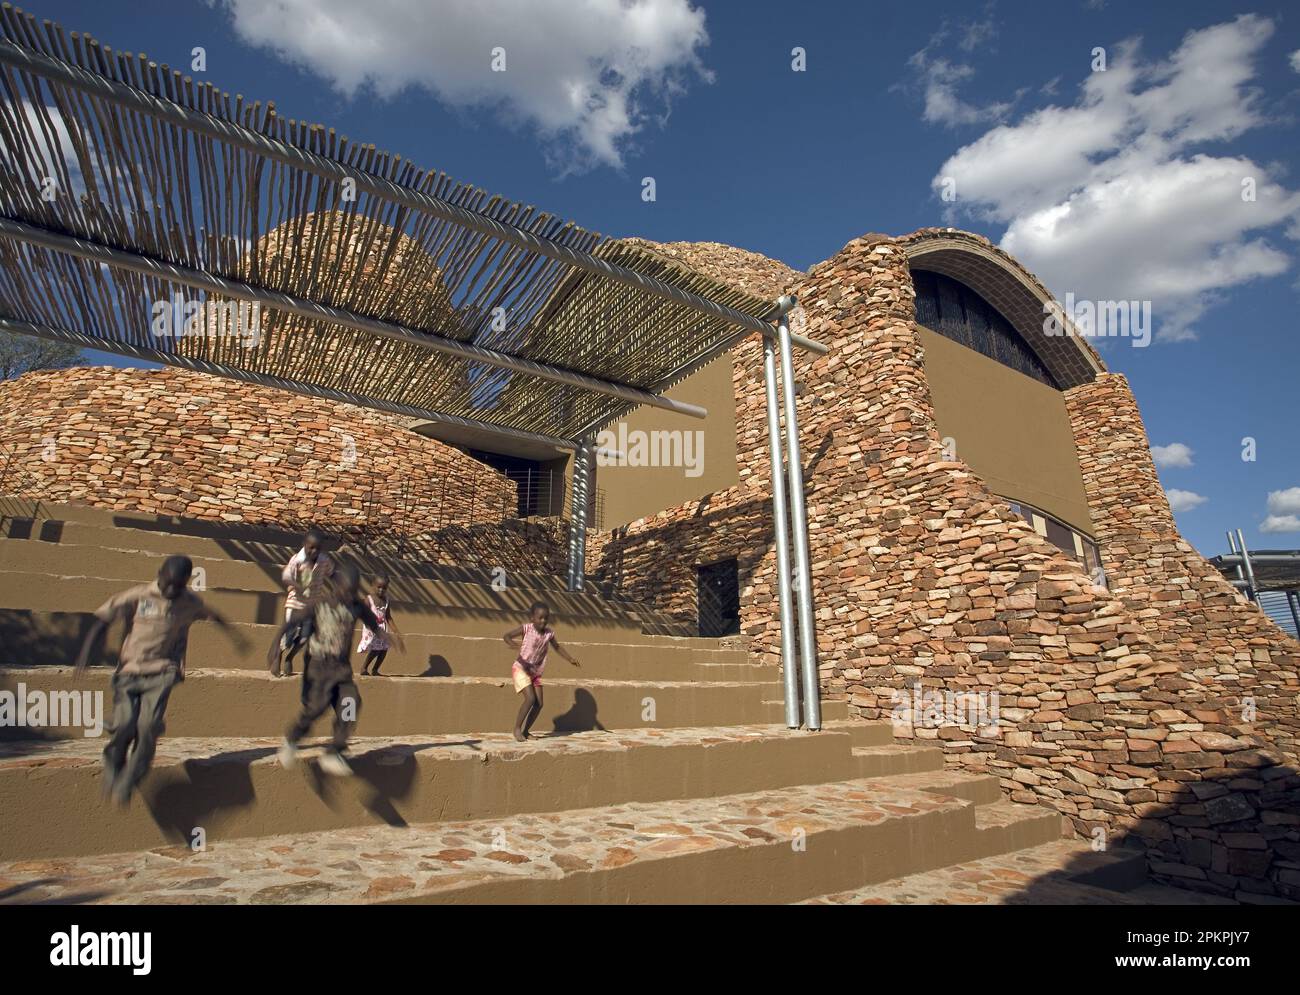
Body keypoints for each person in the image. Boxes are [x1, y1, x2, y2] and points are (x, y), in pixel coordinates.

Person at [75, 555, 249, 805]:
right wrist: (85, 653)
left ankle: (130, 779)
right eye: (167, 584)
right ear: (159, 574)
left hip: (162, 673)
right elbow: (102, 620)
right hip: (129, 672)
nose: (170, 591)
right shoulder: (138, 596)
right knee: (124, 725)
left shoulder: (189, 602)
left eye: (177, 586)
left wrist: (236, 637)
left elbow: (214, 615)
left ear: (186, 582)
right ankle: (113, 764)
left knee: (148, 728)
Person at [274, 561, 404, 776]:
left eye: (353, 592)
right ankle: (292, 739)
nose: (350, 596)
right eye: (347, 591)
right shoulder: (320, 604)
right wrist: (275, 649)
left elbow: (373, 623)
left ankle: (335, 751)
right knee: (316, 708)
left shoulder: (356, 605)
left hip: (341, 671)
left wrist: (388, 636)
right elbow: (292, 622)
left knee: (351, 705)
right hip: (319, 667)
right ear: (337, 587)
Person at [503, 601, 580, 742]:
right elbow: (506, 636)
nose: (543, 621)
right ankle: (517, 728)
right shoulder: (526, 628)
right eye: (540, 618)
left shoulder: (549, 634)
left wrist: (570, 659)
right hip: (520, 668)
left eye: (546, 618)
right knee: (530, 699)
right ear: (532, 618)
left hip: (535, 673)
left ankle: (526, 731)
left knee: (539, 704)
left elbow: (557, 647)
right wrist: (513, 644)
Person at [272, 529, 334, 678]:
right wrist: (298, 586)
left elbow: (332, 572)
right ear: (304, 544)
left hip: (311, 605)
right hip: (295, 603)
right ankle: (278, 654)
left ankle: (290, 657)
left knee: (305, 637)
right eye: (311, 547)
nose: (314, 551)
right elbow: (286, 577)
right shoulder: (297, 560)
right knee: (290, 634)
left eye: (318, 548)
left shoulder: (324, 560)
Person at [358, 575, 400, 676]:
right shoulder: (369, 599)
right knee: (376, 649)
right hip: (371, 629)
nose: (381, 590)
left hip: (382, 629)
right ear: (373, 585)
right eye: (379, 587)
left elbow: (388, 617)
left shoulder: (386, 601)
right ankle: (364, 668)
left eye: (384, 588)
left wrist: (396, 631)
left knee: (384, 649)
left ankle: (375, 670)